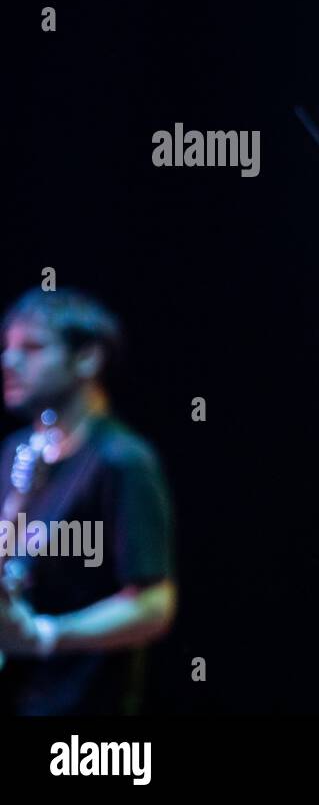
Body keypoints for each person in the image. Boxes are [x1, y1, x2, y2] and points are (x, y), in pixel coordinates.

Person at [0, 287, 177, 714]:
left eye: (33, 347)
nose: (10, 361)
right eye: (7, 348)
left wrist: (46, 635)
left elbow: (154, 605)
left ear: (87, 359)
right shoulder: (15, 451)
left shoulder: (122, 462)